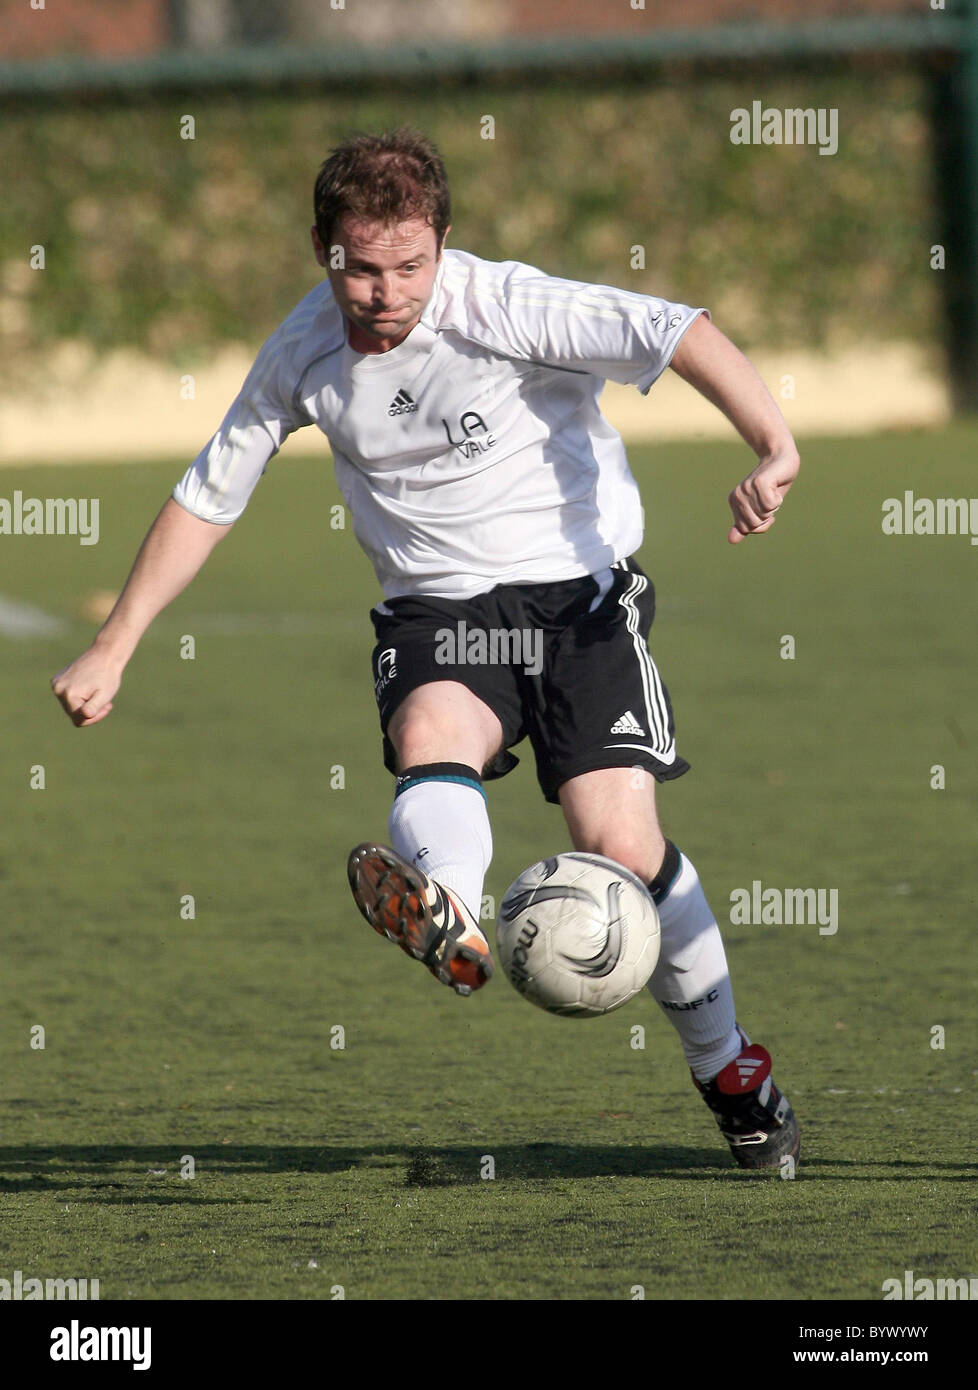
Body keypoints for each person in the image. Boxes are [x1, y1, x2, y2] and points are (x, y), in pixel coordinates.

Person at [52, 128, 801, 1170]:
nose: (384, 292)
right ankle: (449, 902)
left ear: (442, 247)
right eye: (360, 266)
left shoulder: (507, 304)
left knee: (622, 845)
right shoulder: (302, 352)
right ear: (324, 249)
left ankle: (729, 1068)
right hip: (436, 610)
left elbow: (676, 330)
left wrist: (774, 442)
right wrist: (115, 643)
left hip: (577, 601)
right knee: (429, 727)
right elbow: (207, 495)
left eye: (409, 265)